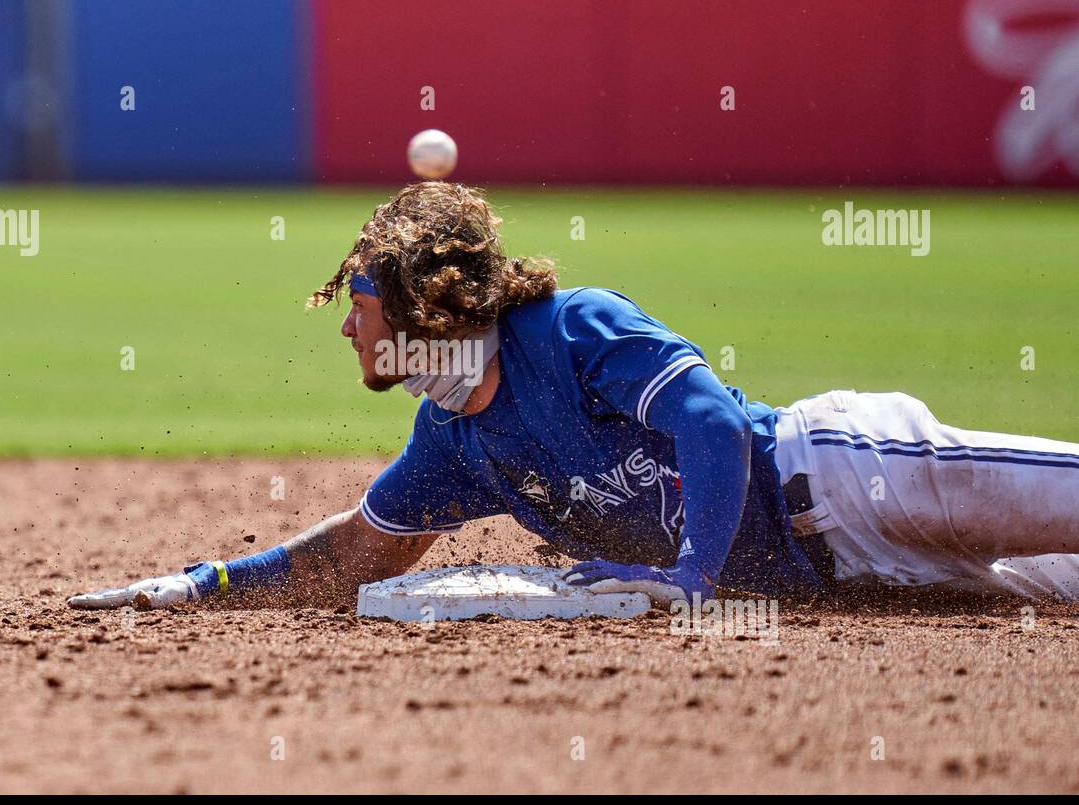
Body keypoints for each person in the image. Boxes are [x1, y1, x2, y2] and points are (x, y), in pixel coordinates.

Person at [69, 183, 1079, 611]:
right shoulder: (452, 440)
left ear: (429, 308)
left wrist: (691, 574)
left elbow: (713, 422)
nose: (347, 325)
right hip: (858, 579)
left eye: (363, 303)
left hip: (855, 475)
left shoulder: (570, 329)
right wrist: (205, 583)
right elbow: (355, 553)